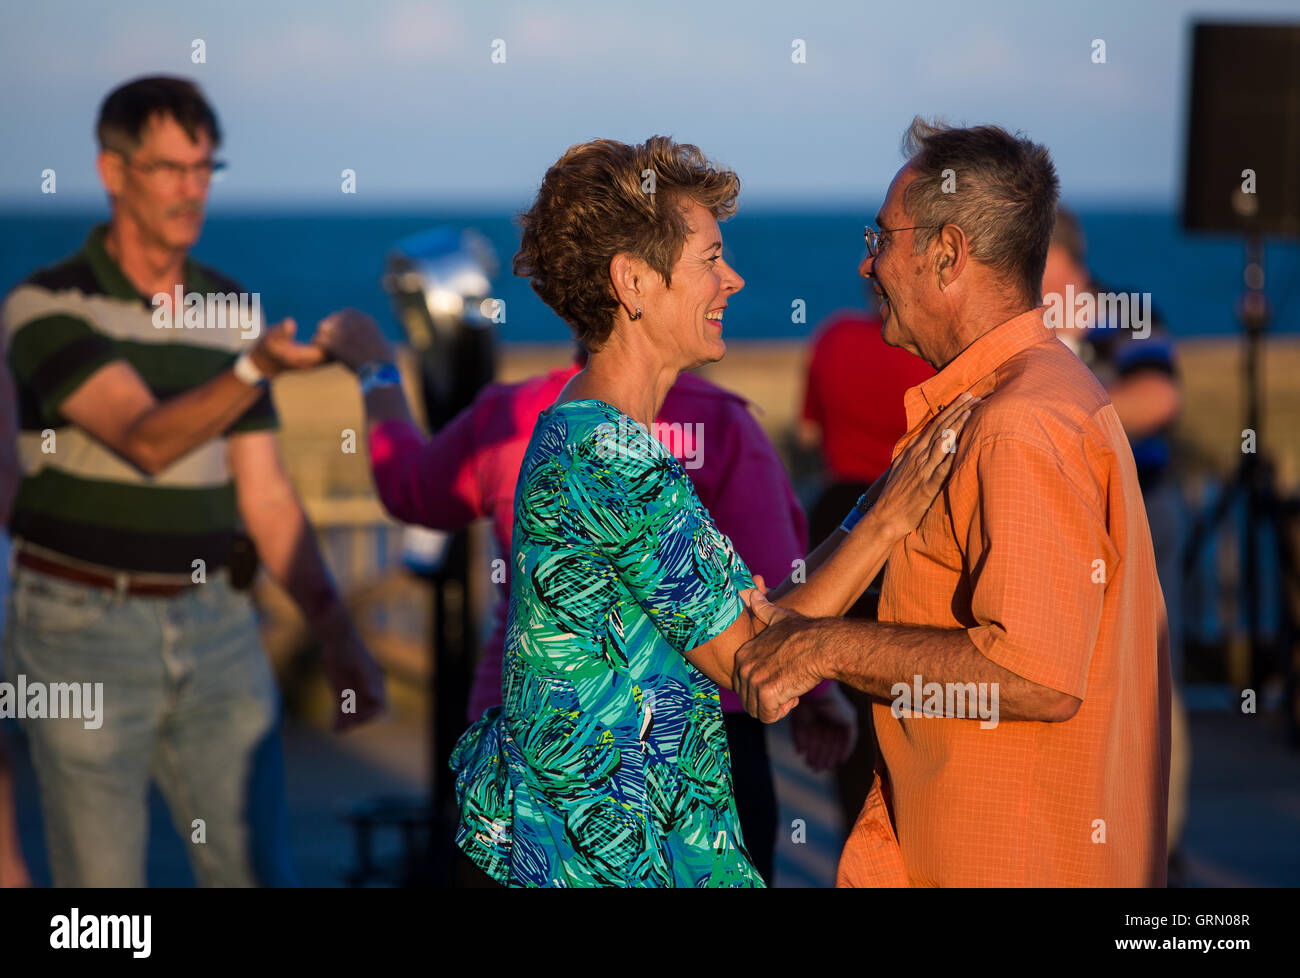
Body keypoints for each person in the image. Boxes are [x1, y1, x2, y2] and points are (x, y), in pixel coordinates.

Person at [317, 136, 969, 887]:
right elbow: (761, 668)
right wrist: (889, 518)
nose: (734, 279)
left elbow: (754, 614)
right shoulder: (610, 457)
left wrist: (869, 510)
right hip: (596, 859)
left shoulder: (591, 430)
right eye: (710, 260)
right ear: (632, 282)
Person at [733, 118, 1171, 887]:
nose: (868, 263)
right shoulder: (1016, 398)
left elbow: (1036, 675)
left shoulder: (1017, 423)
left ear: (946, 254)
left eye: (882, 237)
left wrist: (827, 648)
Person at [0, 76, 386, 887]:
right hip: (80, 631)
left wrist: (336, 631)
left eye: (204, 168)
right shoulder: (46, 305)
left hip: (219, 627)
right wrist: (254, 367)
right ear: (112, 171)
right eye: (167, 168)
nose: (189, 189)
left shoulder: (230, 309)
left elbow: (268, 495)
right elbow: (145, 439)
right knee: (103, 903)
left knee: (256, 873)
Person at [302, 337, 855, 882]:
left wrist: (376, 367)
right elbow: (777, 584)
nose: (727, 282)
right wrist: (820, 698)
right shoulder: (726, 425)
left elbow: (408, 487)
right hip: (698, 740)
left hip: (529, 735)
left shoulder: (512, 415)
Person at [1042, 206, 1190, 877]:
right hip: (1056, 520)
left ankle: (1160, 842)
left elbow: (1159, 396)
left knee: (1152, 676)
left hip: (1138, 514)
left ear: (1063, 262)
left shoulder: (1124, 313)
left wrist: (1064, 402)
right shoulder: (1024, 326)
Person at [798, 299, 934, 829]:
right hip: (908, 511)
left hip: (839, 515)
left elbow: (809, 433)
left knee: (846, 682)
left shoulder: (832, 338)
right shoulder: (923, 352)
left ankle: (860, 837)